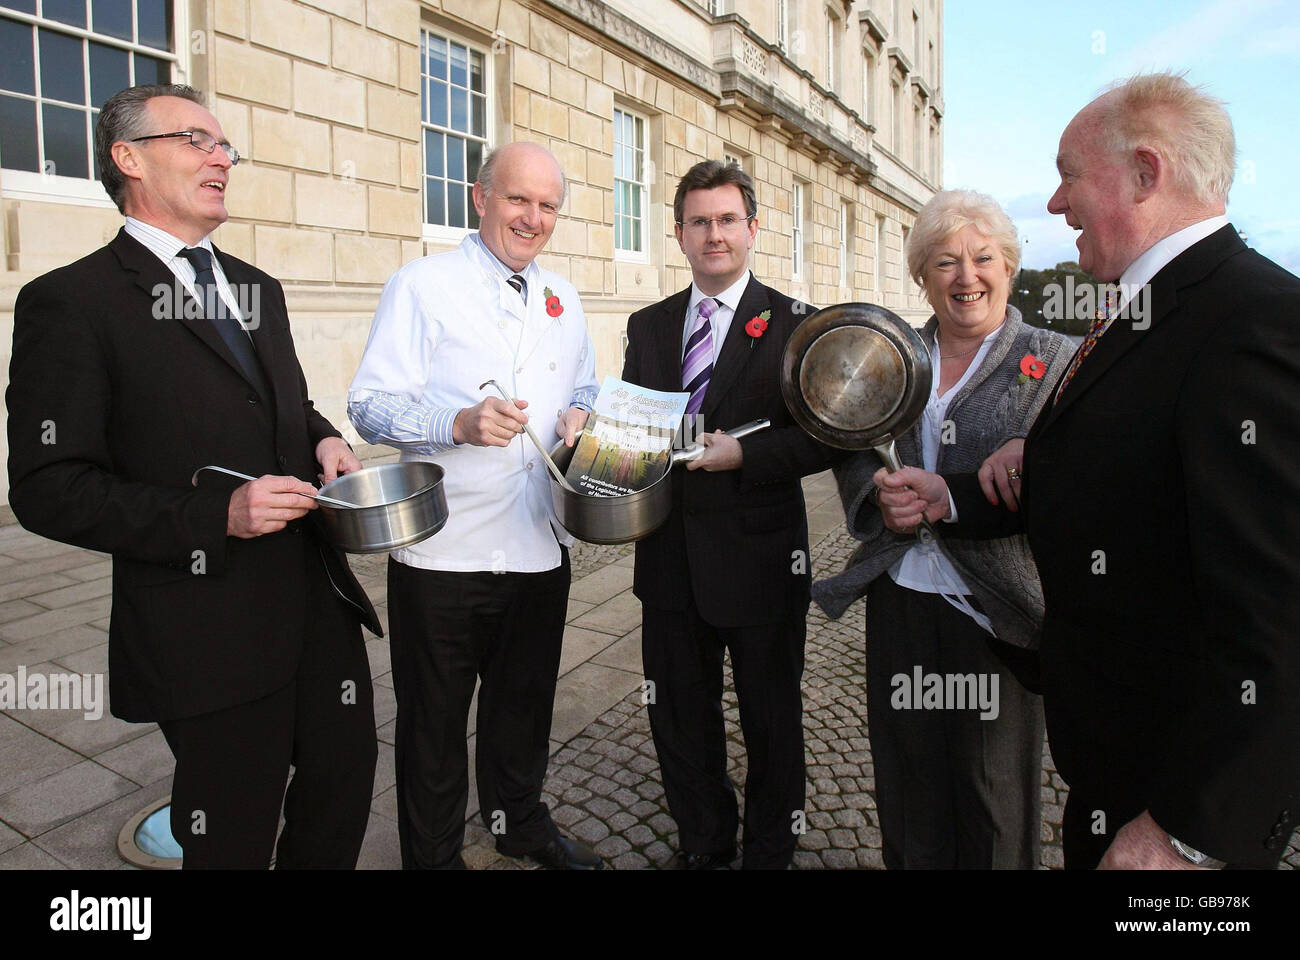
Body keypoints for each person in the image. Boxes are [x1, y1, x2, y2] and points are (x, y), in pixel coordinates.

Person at [874, 73, 1299, 869]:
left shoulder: (1257, 320)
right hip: (1112, 767)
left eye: (1069, 172)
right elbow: (1120, 485)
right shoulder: (1143, 310)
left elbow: (1281, 612)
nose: (1057, 202)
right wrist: (952, 495)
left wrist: (1190, 833)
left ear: (1145, 172)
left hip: (1163, 809)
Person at [6, 84, 382, 869]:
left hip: (315, 600)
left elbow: (285, 404)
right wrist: (219, 516)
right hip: (201, 625)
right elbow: (48, 486)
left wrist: (323, 440)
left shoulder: (257, 286)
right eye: (198, 141)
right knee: (231, 830)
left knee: (344, 783)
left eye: (226, 148)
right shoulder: (70, 302)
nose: (222, 160)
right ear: (128, 157)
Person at [348, 142, 602, 870]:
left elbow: (583, 383)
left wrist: (580, 415)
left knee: (522, 711)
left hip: (539, 540)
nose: (533, 218)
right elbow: (368, 407)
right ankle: (431, 860)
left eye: (548, 205)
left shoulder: (564, 295)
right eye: (519, 199)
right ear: (480, 197)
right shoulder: (422, 284)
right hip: (444, 552)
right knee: (433, 726)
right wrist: (454, 424)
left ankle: (519, 822)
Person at [813, 190, 1074, 869]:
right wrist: (875, 495)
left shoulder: (1055, 361)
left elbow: (1080, 481)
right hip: (900, 597)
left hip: (994, 609)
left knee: (993, 799)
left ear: (1010, 266)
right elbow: (849, 441)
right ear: (921, 276)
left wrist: (1023, 467)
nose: (966, 278)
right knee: (906, 781)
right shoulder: (891, 355)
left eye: (983, 259)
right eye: (944, 262)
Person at [621, 160, 836, 869]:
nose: (714, 235)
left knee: (771, 723)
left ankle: (768, 853)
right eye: (699, 222)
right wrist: (590, 430)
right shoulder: (647, 326)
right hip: (670, 560)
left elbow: (826, 436)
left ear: (752, 228)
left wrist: (748, 458)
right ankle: (706, 845)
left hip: (763, 561)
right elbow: (634, 428)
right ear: (678, 233)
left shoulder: (799, 327)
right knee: (681, 722)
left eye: (727, 220)